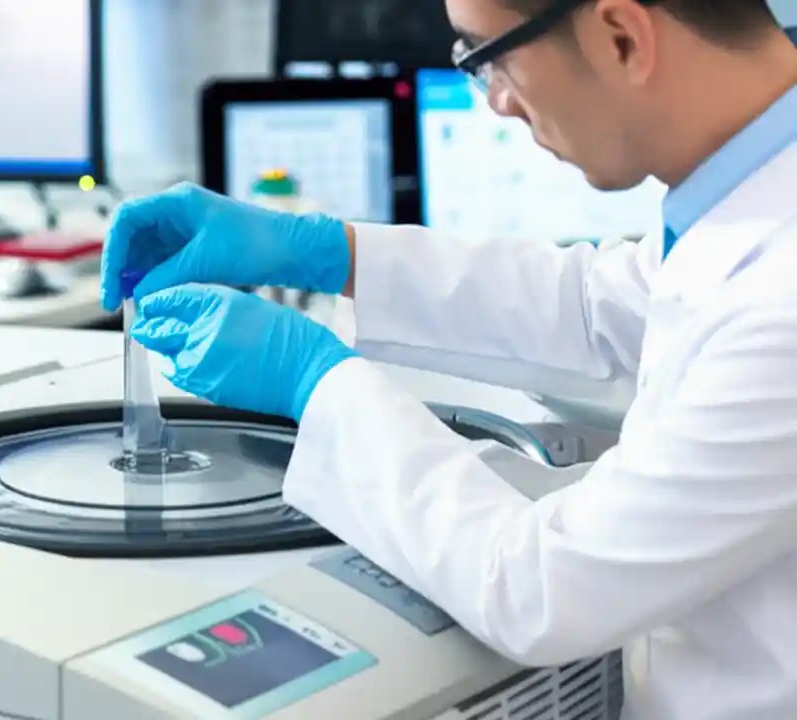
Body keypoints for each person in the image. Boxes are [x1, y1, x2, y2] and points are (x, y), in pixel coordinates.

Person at [100, 1, 797, 717]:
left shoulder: (782, 297)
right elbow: (603, 310)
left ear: (621, 35)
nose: (496, 101)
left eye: (487, 56)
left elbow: (540, 589)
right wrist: (331, 253)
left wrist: (316, 384)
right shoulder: (747, 192)